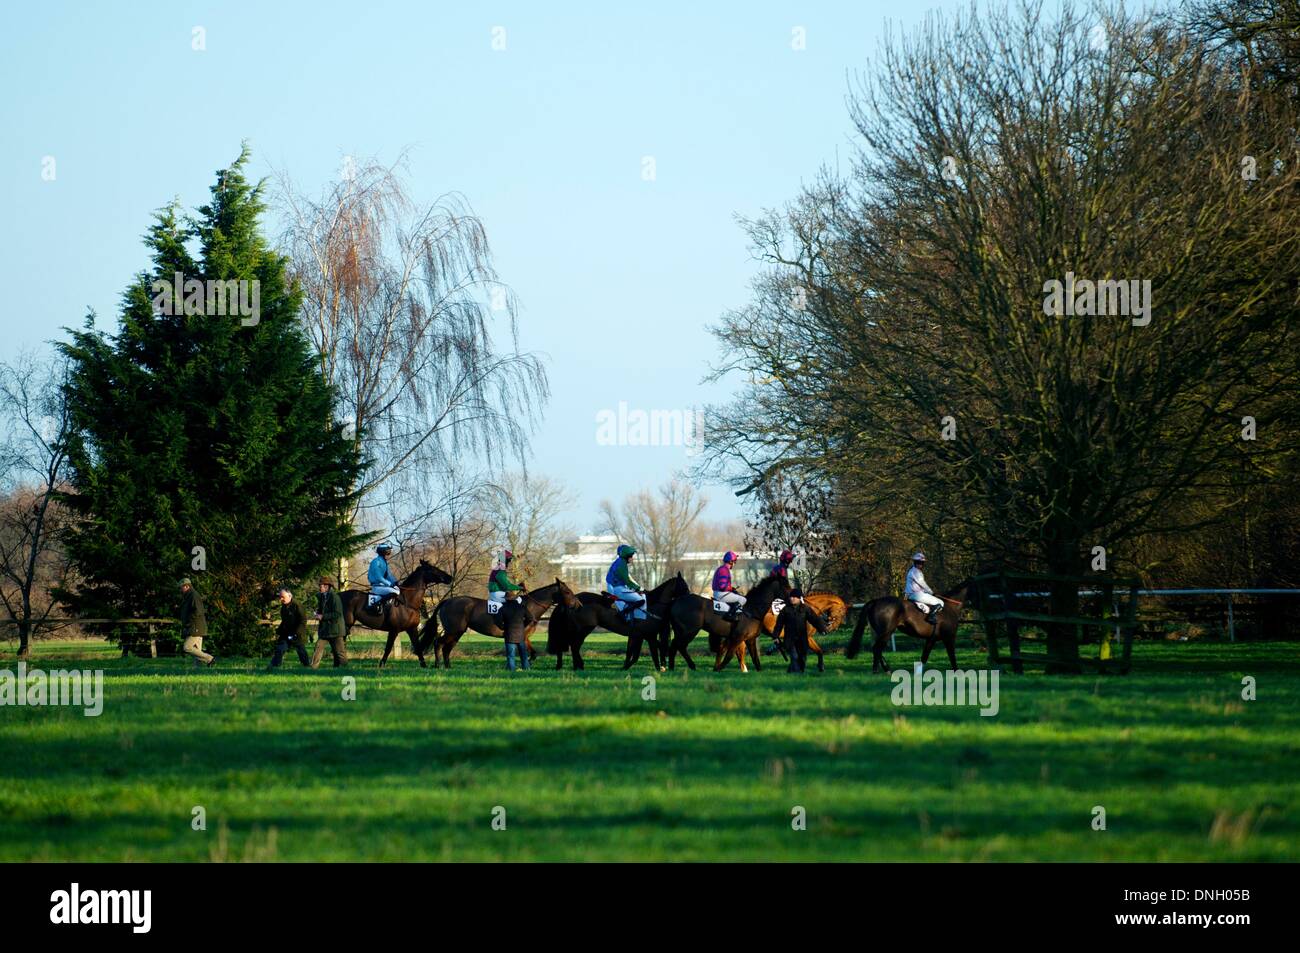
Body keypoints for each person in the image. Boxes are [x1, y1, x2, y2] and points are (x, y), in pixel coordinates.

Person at [772, 588, 828, 674]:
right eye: (791, 597)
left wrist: (822, 629)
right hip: (790, 639)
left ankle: (795, 672)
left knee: (802, 658)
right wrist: (775, 636)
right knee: (794, 657)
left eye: (794, 597)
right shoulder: (785, 610)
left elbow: (814, 619)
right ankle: (796, 674)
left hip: (802, 639)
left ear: (799, 598)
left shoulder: (805, 609)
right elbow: (779, 624)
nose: (792, 598)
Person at [310, 576, 348, 668]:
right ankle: (313, 668)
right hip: (325, 630)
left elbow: (337, 614)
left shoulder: (335, 597)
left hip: (336, 630)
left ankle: (346, 669)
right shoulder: (322, 597)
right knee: (318, 647)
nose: (320, 587)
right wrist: (317, 614)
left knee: (340, 653)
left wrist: (322, 616)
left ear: (327, 586)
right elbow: (322, 610)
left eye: (321, 585)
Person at [269, 586, 310, 668]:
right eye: (280, 597)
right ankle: (273, 666)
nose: (281, 599)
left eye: (283, 597)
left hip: (297, 633)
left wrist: (296, 633)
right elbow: (284, 621)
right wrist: (279, 631)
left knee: (301, 651)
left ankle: (307, 667)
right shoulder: (283, 607)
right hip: (286, 633)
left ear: (290, 596)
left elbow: (302, 621)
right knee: (280, 649)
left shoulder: (298, 606)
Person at [178, 578, 215, 667]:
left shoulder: (193, 595)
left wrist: (189, 622)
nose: (180, 590)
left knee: (187, 647)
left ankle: (209, 658)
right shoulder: (188, 596)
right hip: (195, 626)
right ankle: (197, 670)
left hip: (195, 626)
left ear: (186, 586)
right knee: (197, 650)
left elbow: (198, 611)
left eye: (181, 587)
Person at [605, 544, 646, 620]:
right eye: (631, 556)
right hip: (617, 589)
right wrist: (639, 589)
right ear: (626, 556)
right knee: (640, 600)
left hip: (617, 587)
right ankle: (623, 613)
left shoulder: (620, 562)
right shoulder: (621, 564)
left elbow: (628, 580)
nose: (632, 558)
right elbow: (627, 581)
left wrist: (638, 588)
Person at [905, 551, 945, 625]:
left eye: (922, 563)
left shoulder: (913, 570)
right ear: (915, 562)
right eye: (918, 562)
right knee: (941, 602)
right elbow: (923, 584)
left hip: (914, 594)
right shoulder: (916, 572)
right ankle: (931, 617)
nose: (920, 564)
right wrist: (932, 593)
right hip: (917, 595)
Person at [711, 551, 746, 619]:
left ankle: (731, 612)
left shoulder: (722, 569)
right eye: (734, 562)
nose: (734, 564)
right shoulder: (724, 570)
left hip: (719, 593)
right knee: (742, 599)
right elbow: (722, 586)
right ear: (730, 562)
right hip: (721, 594)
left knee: (737, 595)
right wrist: (730, 588)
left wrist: (731, 588)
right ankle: (731, 615)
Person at [367, 542, 400, 613]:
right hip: (377, 587)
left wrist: (395, 582)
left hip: (383, 586)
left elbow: (388, 576)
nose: (389, 554)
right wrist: (390, 584)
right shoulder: (376, 561)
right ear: (384, 552)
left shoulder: (384, 562)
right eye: (388, 553)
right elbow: (378, 577)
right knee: (395, 592)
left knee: (398, 590)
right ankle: (376, 604)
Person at [503, 599, 531, 672]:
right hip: (520, 634)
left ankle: (512, 670)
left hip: (509, 634)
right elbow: (530, 618)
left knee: (511, 655)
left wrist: (502, 627)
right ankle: (527, 668)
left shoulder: (503, 608)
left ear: (506, 599)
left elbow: (497, 620)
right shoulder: (522, 607)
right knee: (523, 654)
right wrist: (523, 625)